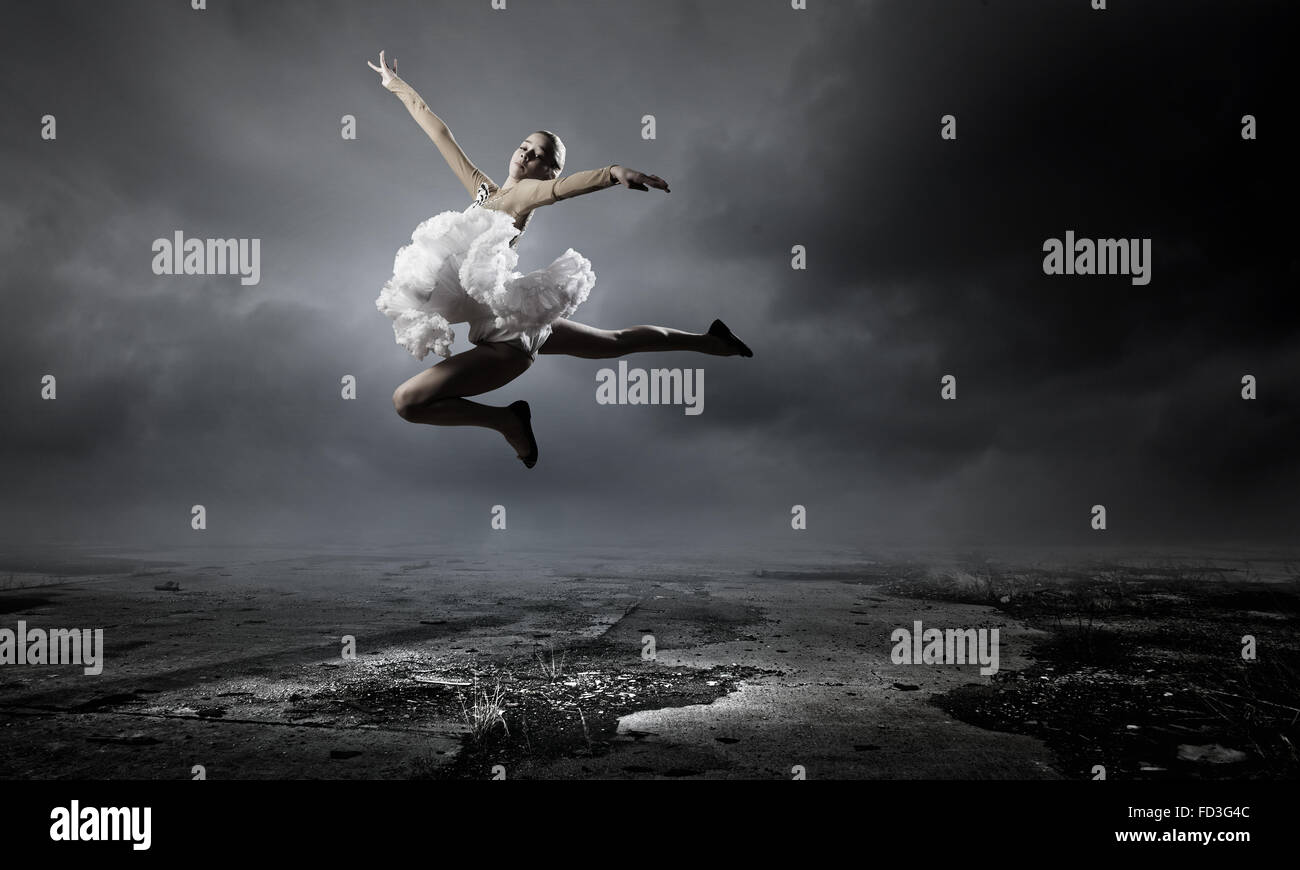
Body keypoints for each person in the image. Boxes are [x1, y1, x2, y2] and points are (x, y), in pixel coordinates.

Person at [369, 51, 752, 468]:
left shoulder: (525, 196)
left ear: (547, 171)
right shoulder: (487, 191)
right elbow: (441, 135)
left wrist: (613, 172)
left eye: (538, 155)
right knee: (615, 343)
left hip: (506, 344)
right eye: (524, 146)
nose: (526, 154)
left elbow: (562, 188)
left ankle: (506, 421)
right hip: (517, 318)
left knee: (407, 402)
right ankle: (713, 343)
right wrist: (397, 86)